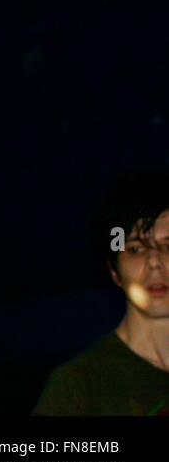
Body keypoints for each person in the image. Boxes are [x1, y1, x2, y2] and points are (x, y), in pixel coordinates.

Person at [33, 170, 169, 415]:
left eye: (168, 246)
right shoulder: (78, 386)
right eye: (136, 249)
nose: (154, 261)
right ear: (114, 270)